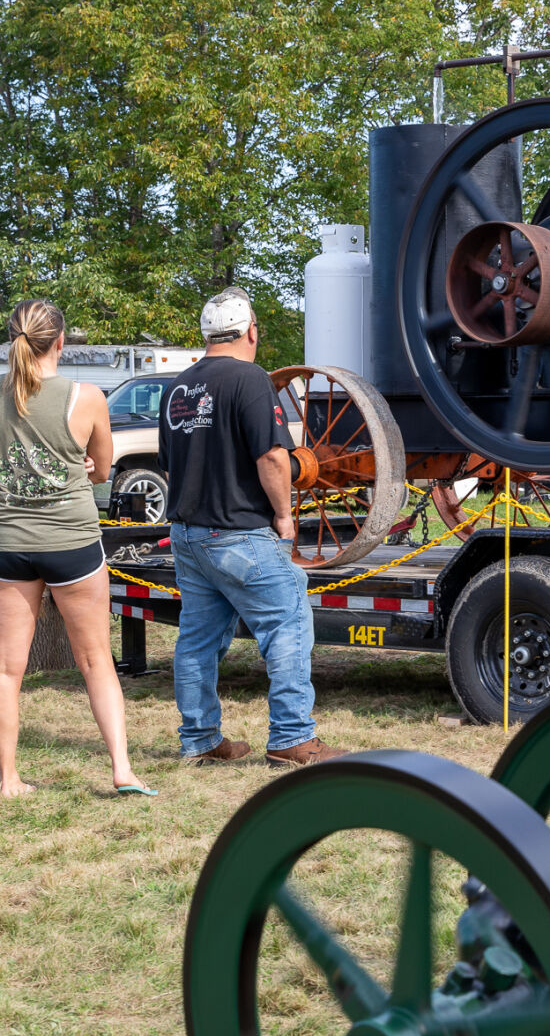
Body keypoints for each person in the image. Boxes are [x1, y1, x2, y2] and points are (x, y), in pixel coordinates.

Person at [158, 289, 340, 768]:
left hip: (188, 534)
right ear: (251, 331)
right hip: (239, 533)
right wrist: (283, 516)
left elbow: (173, 464)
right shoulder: (251, 379)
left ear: (206, 334)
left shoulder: (177, 388)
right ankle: (291, 738)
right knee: (287, 624)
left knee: (197, 640)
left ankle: (198, 739)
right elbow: (272, 456)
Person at [0, 299, 155, 798]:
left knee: (6, 669)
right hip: (72, 543)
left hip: (9, 544)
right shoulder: (87, 396)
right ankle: (122, 770)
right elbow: (105, 470)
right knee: (95, 661)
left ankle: (7, 780)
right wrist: (85, 466)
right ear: (61, 341)